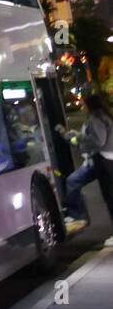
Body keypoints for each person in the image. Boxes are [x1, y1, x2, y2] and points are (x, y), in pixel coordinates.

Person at [57, 93, 113, 229]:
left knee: (73, 181)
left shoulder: (95, 118)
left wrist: (79, 137)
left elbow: (99, 141)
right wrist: (74, 137)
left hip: (101, 161)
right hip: (104, 160)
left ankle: (78, 216)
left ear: (90, 105)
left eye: (83, 105)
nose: (82, 107)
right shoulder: (102, 117)